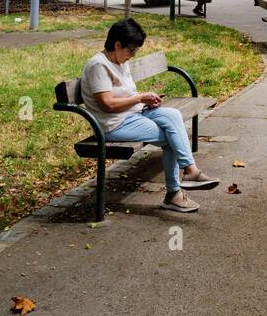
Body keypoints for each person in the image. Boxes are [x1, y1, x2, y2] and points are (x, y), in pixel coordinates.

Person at [80, 18, 218, 213]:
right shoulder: (98, 66)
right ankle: (175, 192)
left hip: (134, 114)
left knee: (173, 115)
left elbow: (127, 94)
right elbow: (108, 104)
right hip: (115, 124)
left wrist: (146, 98)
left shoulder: (120, 61)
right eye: (132, 50)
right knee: (172, 137)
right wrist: (139, 98)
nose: (132, 55)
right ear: (117, 44)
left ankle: (190, 171)